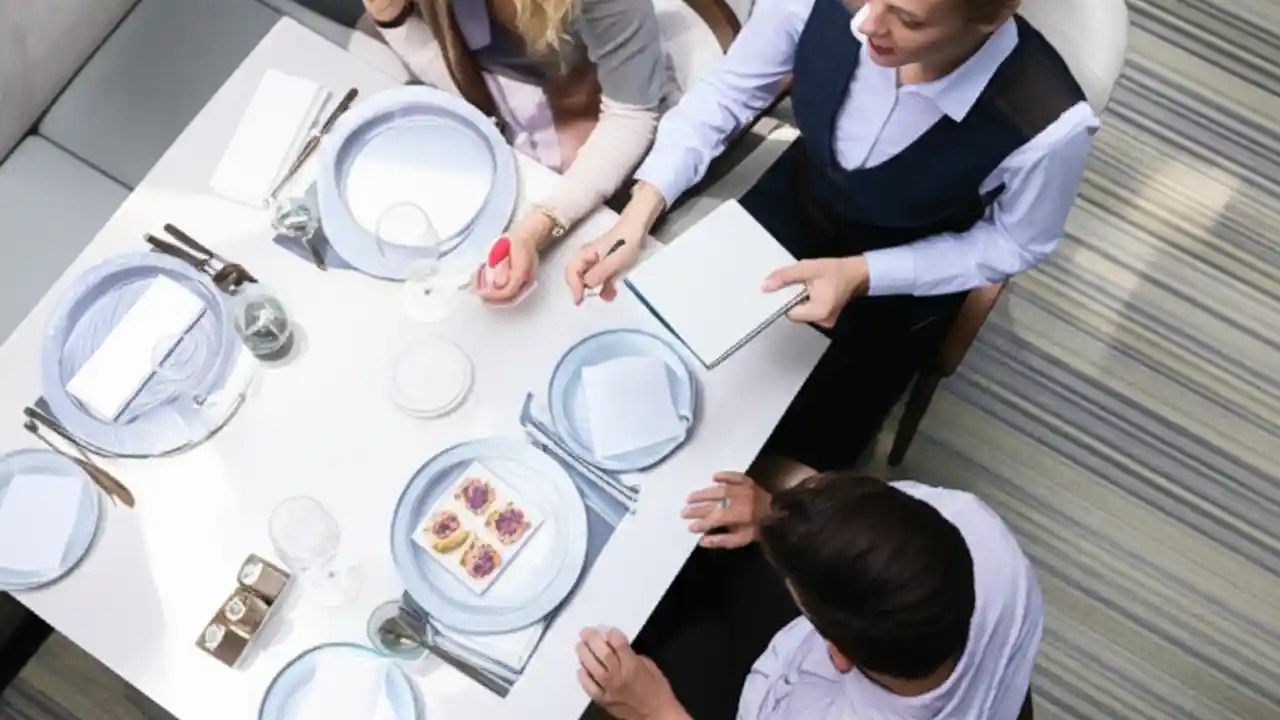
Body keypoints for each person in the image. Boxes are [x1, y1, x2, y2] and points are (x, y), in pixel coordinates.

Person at [563, 0, 1099, 470]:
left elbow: (1016, 243)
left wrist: (867, 274)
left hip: (901, 284)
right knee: (665, 378)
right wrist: (641, 209)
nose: (867, 23)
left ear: (992, 17)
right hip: (789, 207)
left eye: (908, 19)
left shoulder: (1051, 126)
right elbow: (729, 91)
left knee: (792, 459)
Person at [576, 472, 1044, 719]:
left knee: (671, 638)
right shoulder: (982, 535)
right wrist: (773, 512)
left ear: (835, 651)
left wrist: (653, 709)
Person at [364, 0, 674, 302]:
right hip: (521, 148)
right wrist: (395, 20)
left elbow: (631, 118)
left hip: (610, 166)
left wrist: (539, 226)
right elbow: (472, 82)